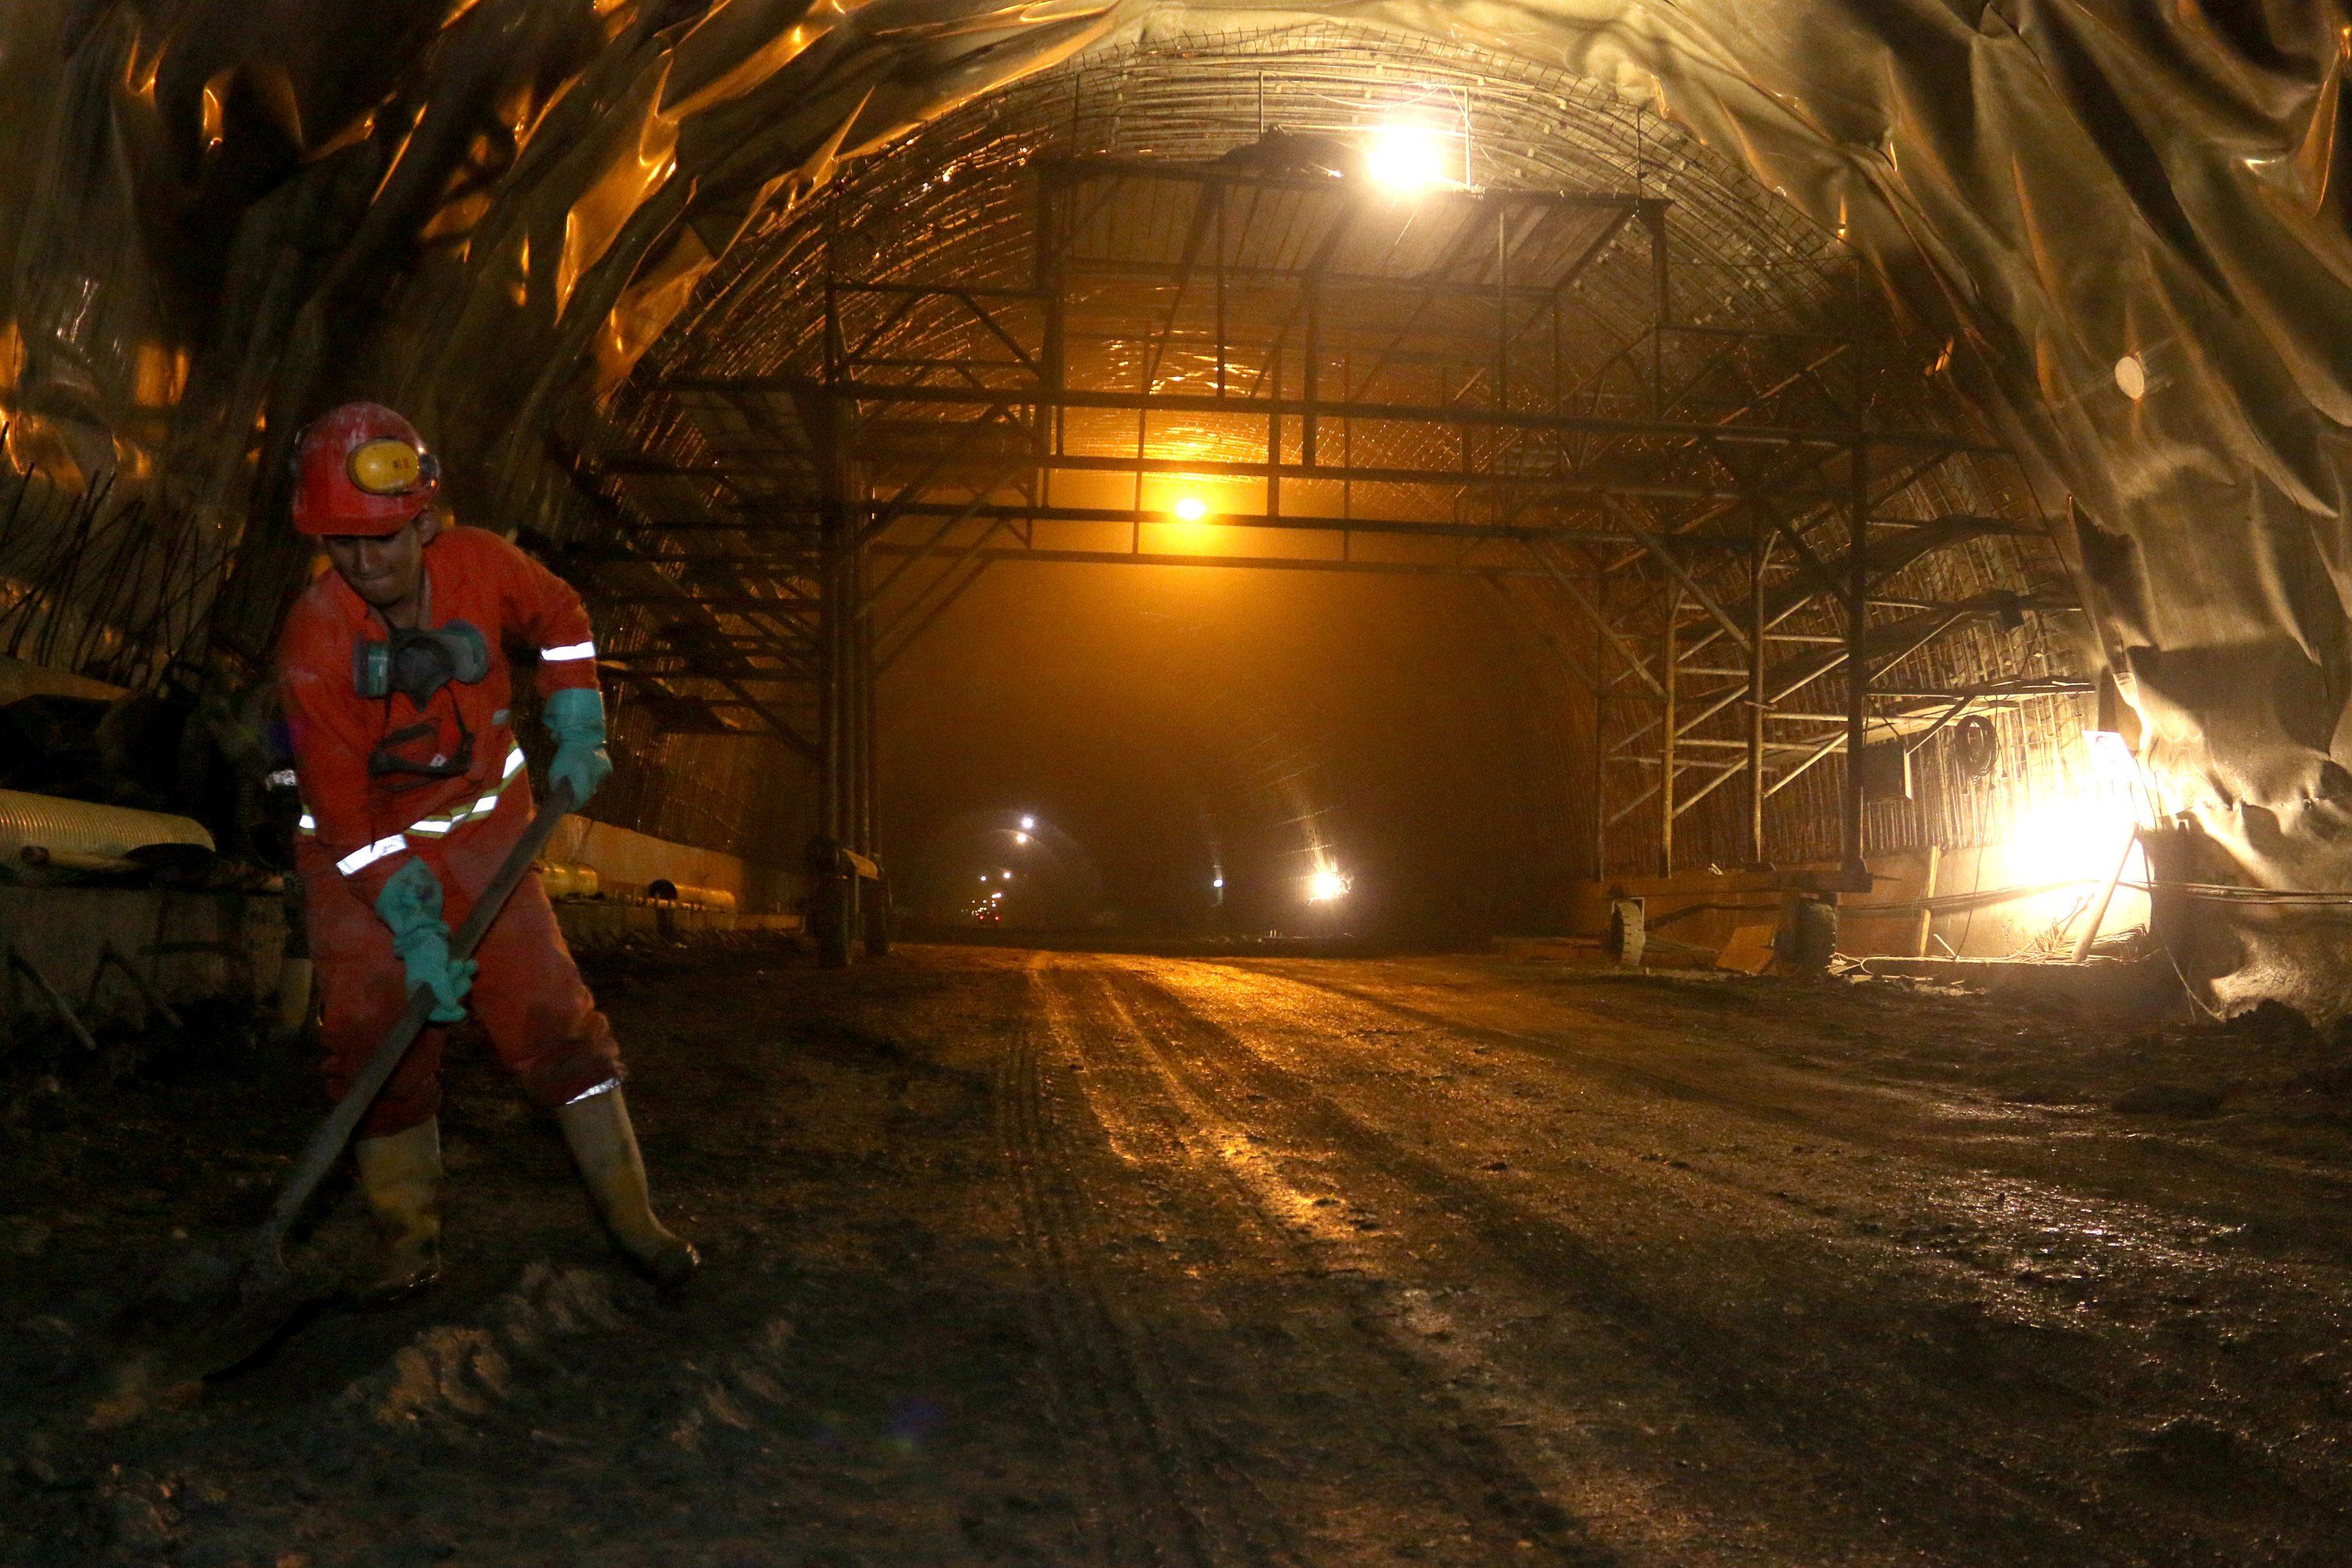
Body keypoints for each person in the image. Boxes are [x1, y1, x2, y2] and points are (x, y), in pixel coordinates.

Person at [274, 401, 696, 1296]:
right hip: (361, 863)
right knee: (370, 1035)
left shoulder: (481, 567)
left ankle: (634, 1219)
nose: (363, 562)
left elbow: (561, 613)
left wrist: (579, 716)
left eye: (382, 539)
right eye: (341, 544)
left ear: (425, 519)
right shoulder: (315, 638)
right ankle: (406, 1241)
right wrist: (410, 920)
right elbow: (343, 815)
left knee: (551, 1019)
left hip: (490, 836)